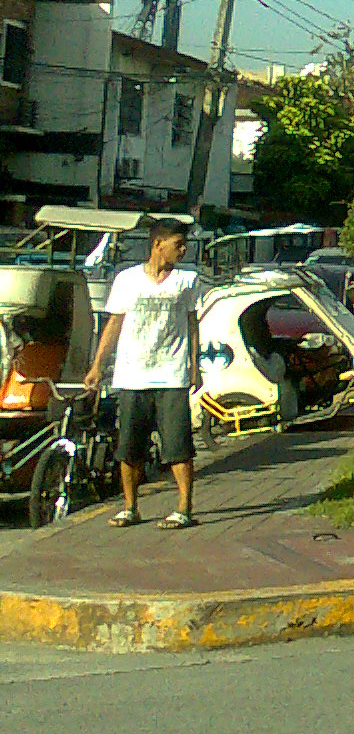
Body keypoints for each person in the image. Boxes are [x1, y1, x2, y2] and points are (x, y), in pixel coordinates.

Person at [82, 218, 204, 528]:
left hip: (172, 375)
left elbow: (193, 325)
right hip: (132, 374)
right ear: (157, 244)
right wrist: (97, 365)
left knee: (177, 445)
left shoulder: (187, 281)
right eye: (178, 244)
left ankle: (184, 508)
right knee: (130, 446)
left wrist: (194, 366)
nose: (183, 249)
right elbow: (114, 325)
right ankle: (130, 507)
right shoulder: (127, 280)